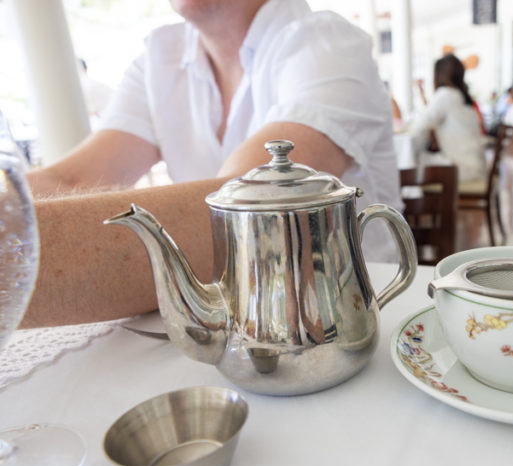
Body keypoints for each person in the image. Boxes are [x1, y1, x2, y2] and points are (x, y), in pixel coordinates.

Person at [21, 0, 400, 328]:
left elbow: (254, 222)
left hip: (337, 316)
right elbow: (69, 180)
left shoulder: (329, 44)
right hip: (225, 316)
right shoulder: (160, 58)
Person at [408, 54, 486, 183]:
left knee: (411, 163)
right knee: (418, 160)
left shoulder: (446, 94)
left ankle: (416, 203)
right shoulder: (460, 96)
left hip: (463, 170)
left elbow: (419, 125)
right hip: (475, 166)